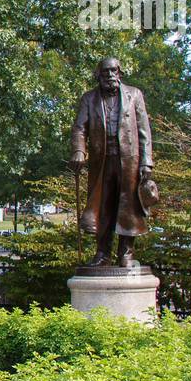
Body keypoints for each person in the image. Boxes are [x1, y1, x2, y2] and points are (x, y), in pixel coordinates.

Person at [69, 57, 154, 268]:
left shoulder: (134, 95)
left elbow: (144, 131)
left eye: (113, 71)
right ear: (98, 75)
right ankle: (102, 253)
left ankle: (126, 253)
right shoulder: (89, 98)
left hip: (130, 161)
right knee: (103, 207)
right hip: (101, 162)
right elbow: (80, 128)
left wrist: (146, 161)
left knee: (129, 207)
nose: (109, 75)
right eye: (105, 72)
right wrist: (79, 151)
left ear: (120, 73)